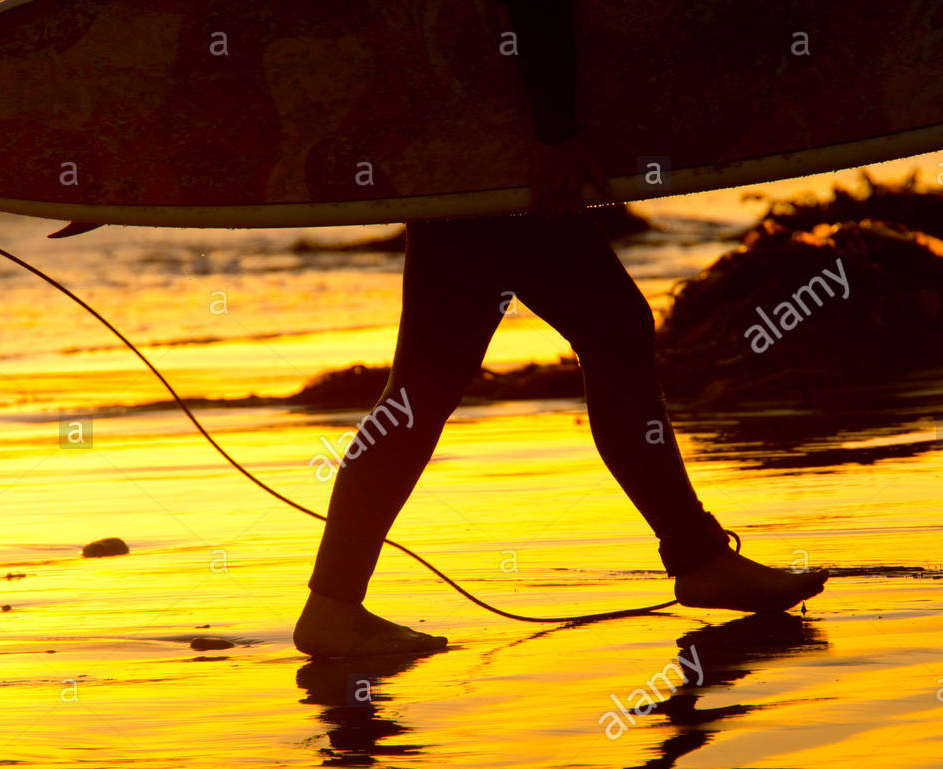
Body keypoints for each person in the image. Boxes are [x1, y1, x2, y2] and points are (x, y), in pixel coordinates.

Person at [294, 0, 827, 657]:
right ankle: (697, 557)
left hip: (453, 146)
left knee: (426, 390)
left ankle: (334, 602)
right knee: (611, 328)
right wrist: (554, 133)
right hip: (498, 150)